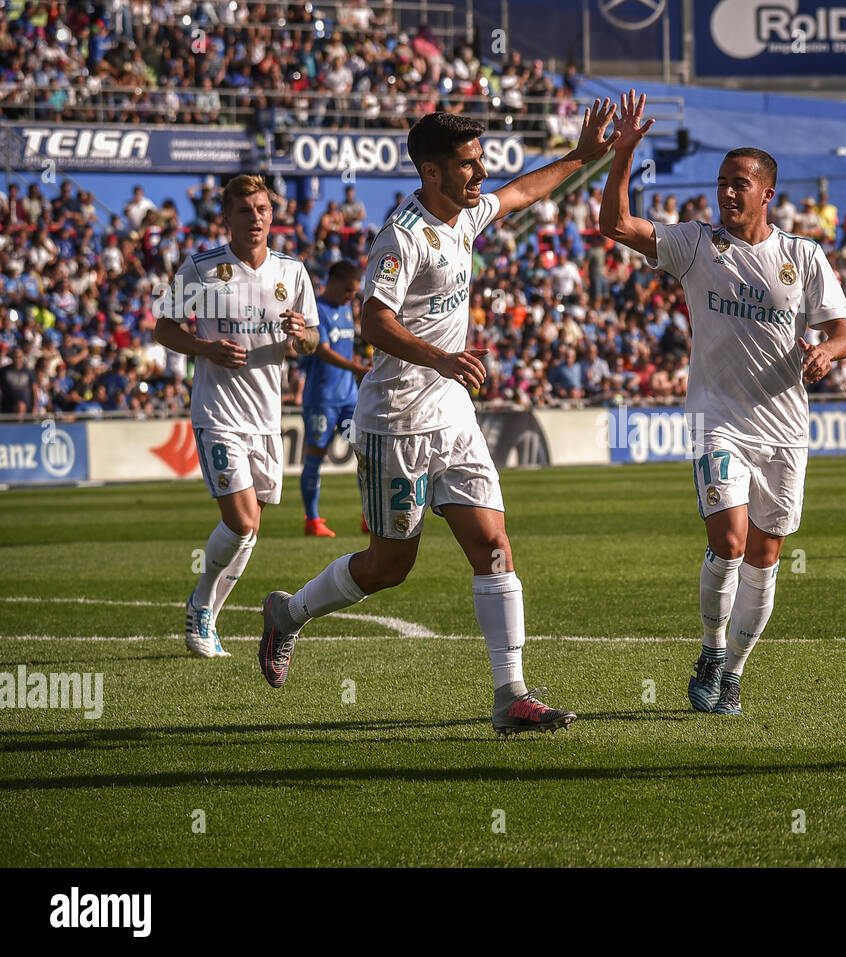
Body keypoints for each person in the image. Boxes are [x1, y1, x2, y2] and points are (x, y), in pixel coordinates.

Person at [260, 103, 620, 736]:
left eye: (480, 160)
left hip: (453, 416)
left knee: (493, 548)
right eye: (466, 164)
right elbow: (375, 319)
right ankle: (288, 613)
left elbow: (521, 193)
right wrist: (440, 358)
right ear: (430, 172)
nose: (480, 173)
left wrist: (585, 156)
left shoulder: (466, 213)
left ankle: (511, 698)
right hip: (396, 421)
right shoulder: (403, 235)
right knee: (389, 566)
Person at [599, 91, 846, 716]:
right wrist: (625, 153)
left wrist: (828, 354)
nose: (728, 193)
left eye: (740, 183)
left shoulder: (803, 256)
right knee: (731, 542)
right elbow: (614, 224)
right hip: (715, 423)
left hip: (786, 431)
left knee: (767, 557)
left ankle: (733, 672)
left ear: (767, 192)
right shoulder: (695, 244)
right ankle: (712, 650)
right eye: (722, 183)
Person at [154, 174, 320, 658]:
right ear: (226, 217)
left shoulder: (292, 271)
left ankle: (205, 613)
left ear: (273, 214)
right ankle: (201, 608)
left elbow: (311, 341)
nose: (256, 218)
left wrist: (299, 335)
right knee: (242, 520)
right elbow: (164, 327)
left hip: (267, 416)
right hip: (217, 411)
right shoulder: (201, 268)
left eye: (263, 209)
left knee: (252, 527)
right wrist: (205, 346)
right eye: (245, 211)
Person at [299, 259, 369, 537]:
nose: (352, 297)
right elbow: (322, 350)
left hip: (349, 398)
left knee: (364, 452)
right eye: (349, 291)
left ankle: (369, 516)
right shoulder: (317, 310)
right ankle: (312, 520)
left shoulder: (347, 308)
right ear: (334, 282)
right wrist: (356, 368)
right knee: (315, 456)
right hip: (322, 398)